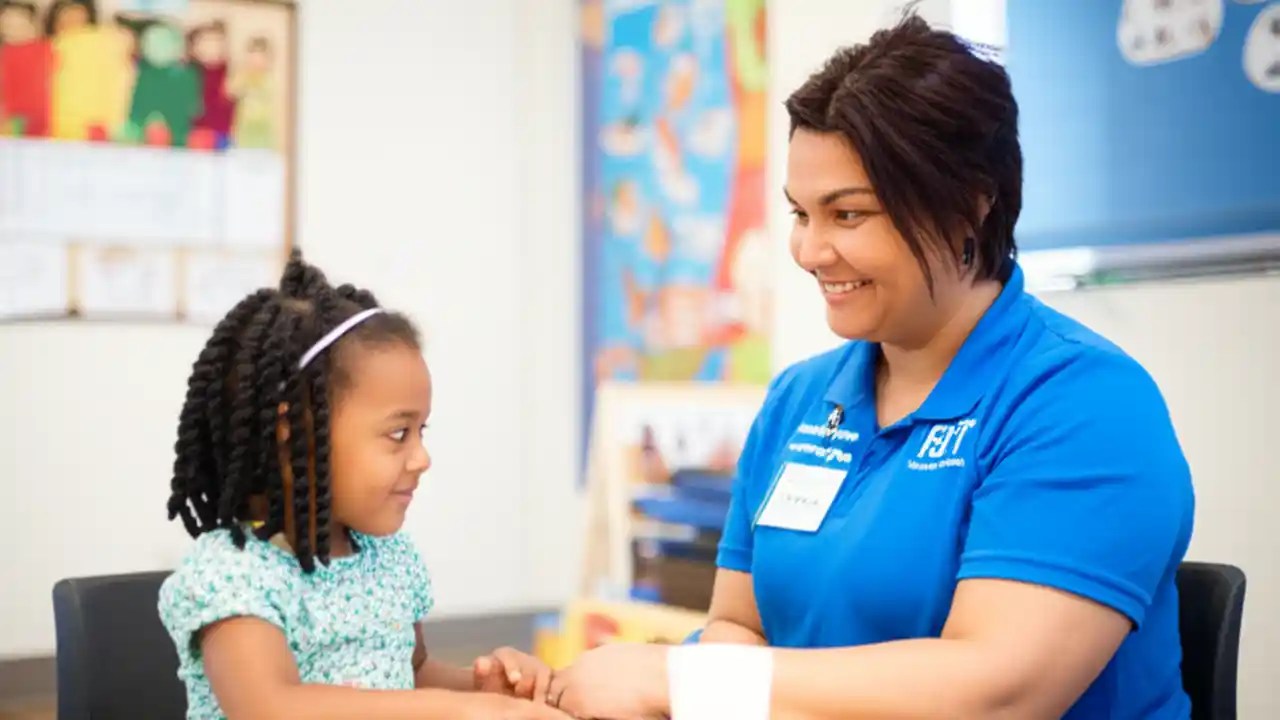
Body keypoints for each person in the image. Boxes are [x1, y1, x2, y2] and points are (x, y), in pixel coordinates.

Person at [550, 13, 1195, 720]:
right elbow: (741, 626)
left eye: (848, 215)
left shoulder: (1083, 404)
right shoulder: (799, 399)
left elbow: (994, 694)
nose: (809, 250)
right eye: (801, 213)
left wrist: (685, 684)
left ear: (967, 209)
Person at [158, 250, 569, 720]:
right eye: (398, 434)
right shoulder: (234, 577)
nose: (422, 458)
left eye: (422, 432)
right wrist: (462, 713)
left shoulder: (387, 559)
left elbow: (410, 676)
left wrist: (486, 692)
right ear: (296, 438)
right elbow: (272, 708)